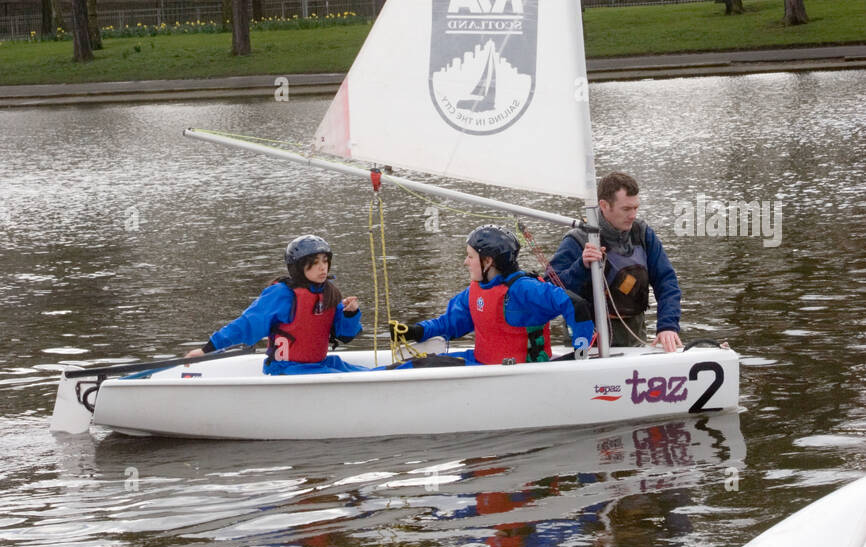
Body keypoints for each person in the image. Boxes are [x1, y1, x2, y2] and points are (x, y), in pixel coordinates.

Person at [393, 225, 594, 365]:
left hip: (520, 374)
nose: (465, 262)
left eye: (470, 256)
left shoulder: (525, 289)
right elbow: (449, 324)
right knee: (413, 365)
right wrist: (413, 331)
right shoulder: (476, 290)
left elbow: (575, 305)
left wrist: (580, 353)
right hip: (482, 364)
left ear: (488, 261)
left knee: (418, 367)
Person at [185, 234, 365, 374]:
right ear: (298, 267)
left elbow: (345, 335)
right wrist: (206, 350)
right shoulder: (282, 294)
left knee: (373, 371)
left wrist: (351, 314)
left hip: (319, 365)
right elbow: (246, 324)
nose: (322, 268)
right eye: (314, 263)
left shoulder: (329, 293)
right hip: (287, 369)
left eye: (325, 261)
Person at [548, 172, 683, 351]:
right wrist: (581, 267)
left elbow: (667, 281)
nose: (633, 215)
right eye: (626, 209)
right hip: (588, 341)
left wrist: (667, 326)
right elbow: (549, 289)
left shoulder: (643, 234)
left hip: (634, 336)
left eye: (636, 208)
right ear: (604, 205)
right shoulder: (577, 240)